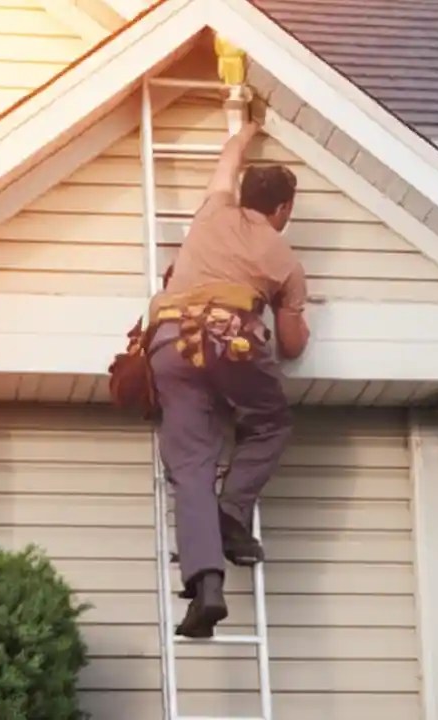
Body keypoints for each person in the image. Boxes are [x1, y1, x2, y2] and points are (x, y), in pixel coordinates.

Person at [146, 120, 310, 639]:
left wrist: (245, 130)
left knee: (192, 467)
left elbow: (226, 160)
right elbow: (291, 345)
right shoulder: (284, 259)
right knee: (270, 423)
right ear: (283, 210)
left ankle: (207, 586)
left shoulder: (213, 209)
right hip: (229, 342)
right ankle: (232, 516)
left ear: (242, 194)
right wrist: (297, 312)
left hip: (169, 344)